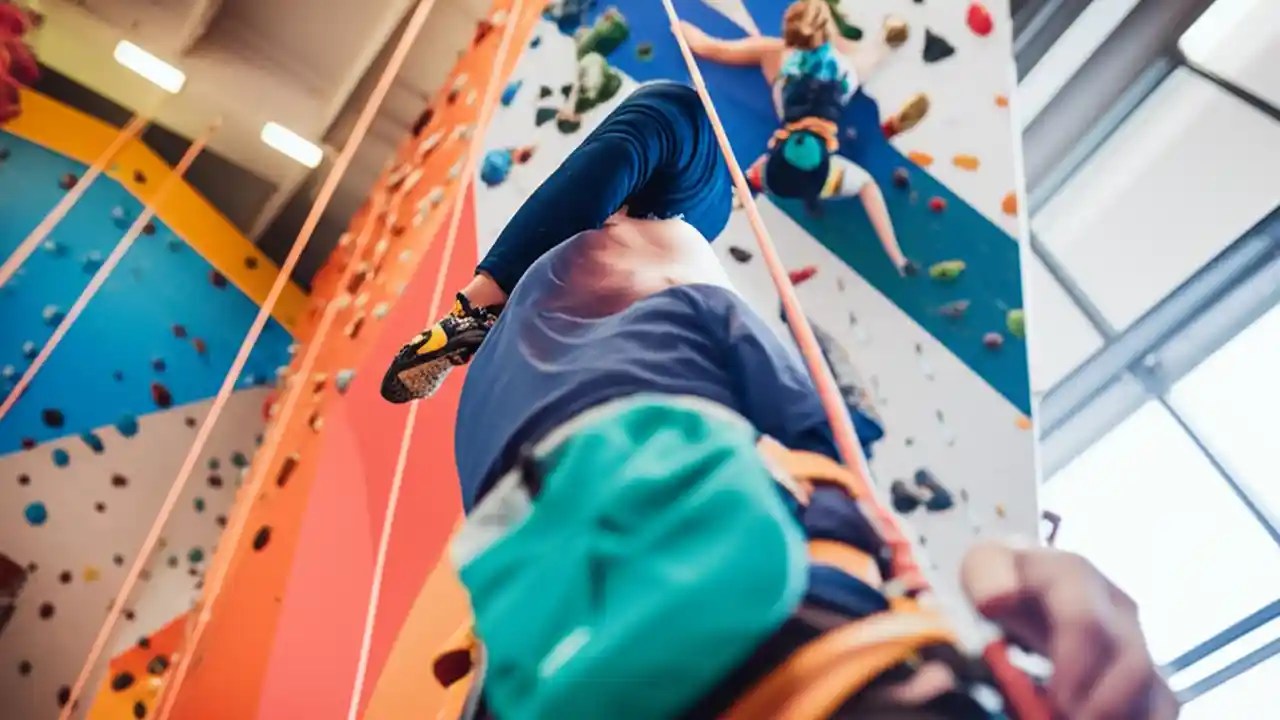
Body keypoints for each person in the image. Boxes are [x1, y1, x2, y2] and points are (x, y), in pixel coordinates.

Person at [383, 82, 1175, 719]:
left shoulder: (588, 288)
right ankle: (477, 306)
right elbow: (818, 433)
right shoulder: (681, 277)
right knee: (675, 122)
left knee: (666, 120)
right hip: (566, 575)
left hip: (560, 503)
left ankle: (473, 306)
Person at [680, 0, 926, 276]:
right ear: (826, 29)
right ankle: (899, 260)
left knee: (766, 168)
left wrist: (681, 28)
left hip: (781, 168)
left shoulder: (774, 52)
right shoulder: (841, 61)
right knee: (867, 185)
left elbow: (712, 48)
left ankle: (745, 189)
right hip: (823, 164)